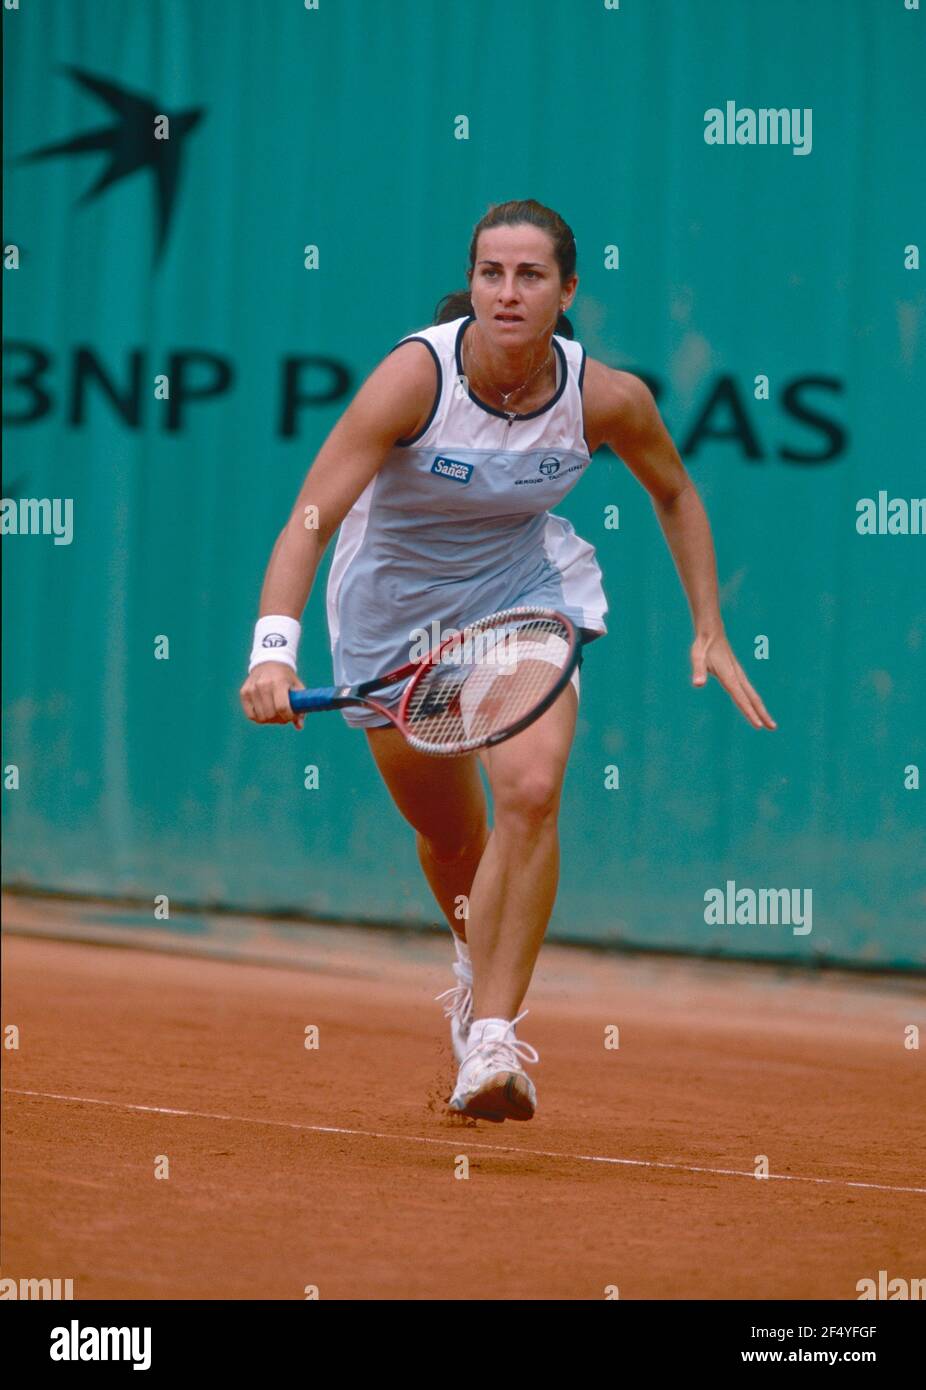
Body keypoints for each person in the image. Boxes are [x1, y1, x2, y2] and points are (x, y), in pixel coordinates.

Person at [239, 198, 776, 1124]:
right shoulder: (414, 377)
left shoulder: (605, 396)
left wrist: (709, 627)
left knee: (529, 790)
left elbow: (677, 493)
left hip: (520, 601)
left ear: (567, 289)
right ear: (473, 285)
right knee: (450, 836)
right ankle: (469, 960)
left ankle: (492, 1039)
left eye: (531, 275)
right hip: (388, 627)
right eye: (492, 273)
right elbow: (311, 519)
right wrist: (274, 651)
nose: (508, 291)